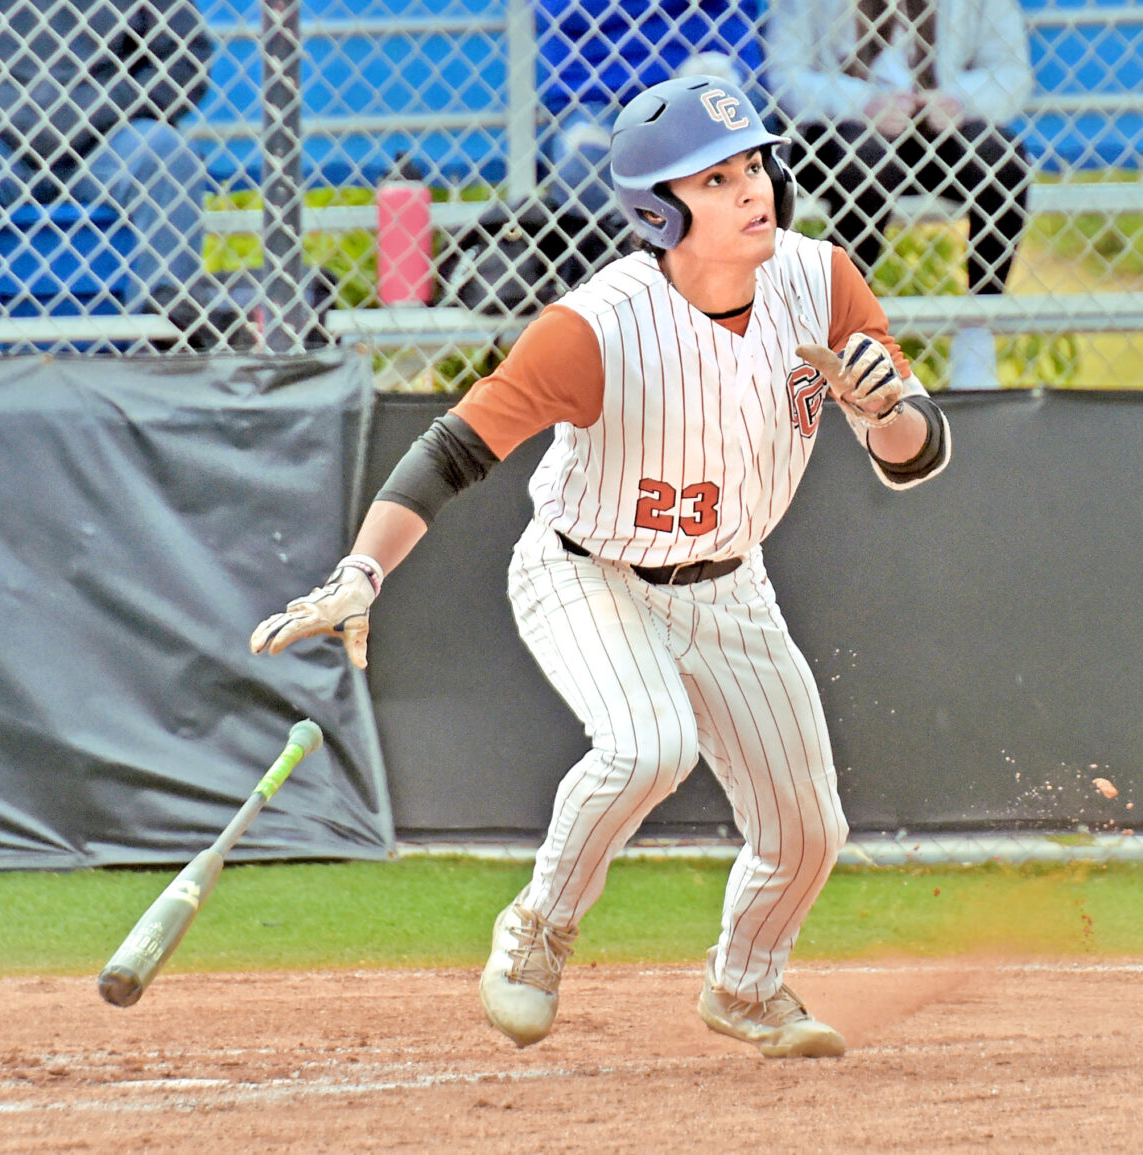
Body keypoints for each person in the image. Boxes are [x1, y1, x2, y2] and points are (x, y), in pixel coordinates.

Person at [251, 74, 951, 1060]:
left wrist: (884, 410)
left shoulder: (821, 282)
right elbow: (454, 448)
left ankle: (746, 988)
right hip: (589, 572)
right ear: (659, 211)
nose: (752, 189)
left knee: (807, 831)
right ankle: (539, 930)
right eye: (715, 179)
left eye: (753, 165)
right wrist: (362, 572)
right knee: (646, 744)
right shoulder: (599, 327)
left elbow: (917, 455)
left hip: (731, 585)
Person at [765, 0, 1034, 389]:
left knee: (1004, 158)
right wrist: (860, 103)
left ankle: (977, 327)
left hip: (939, 124)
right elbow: (785, 75)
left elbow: (1012, 72)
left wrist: (959, 99)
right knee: (868, 161)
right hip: (840, 128)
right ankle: (840, 325)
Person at [0, 0, 211, 317]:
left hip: (107, 138)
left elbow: (185, 61)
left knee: (166, 150)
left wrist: (90, 111)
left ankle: (165, 327)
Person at [539, 0, 766, 218]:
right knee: (582, 173)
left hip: (701, 73)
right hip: (596, 93)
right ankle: (642, 247)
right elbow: (563, 9)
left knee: (722, 151)